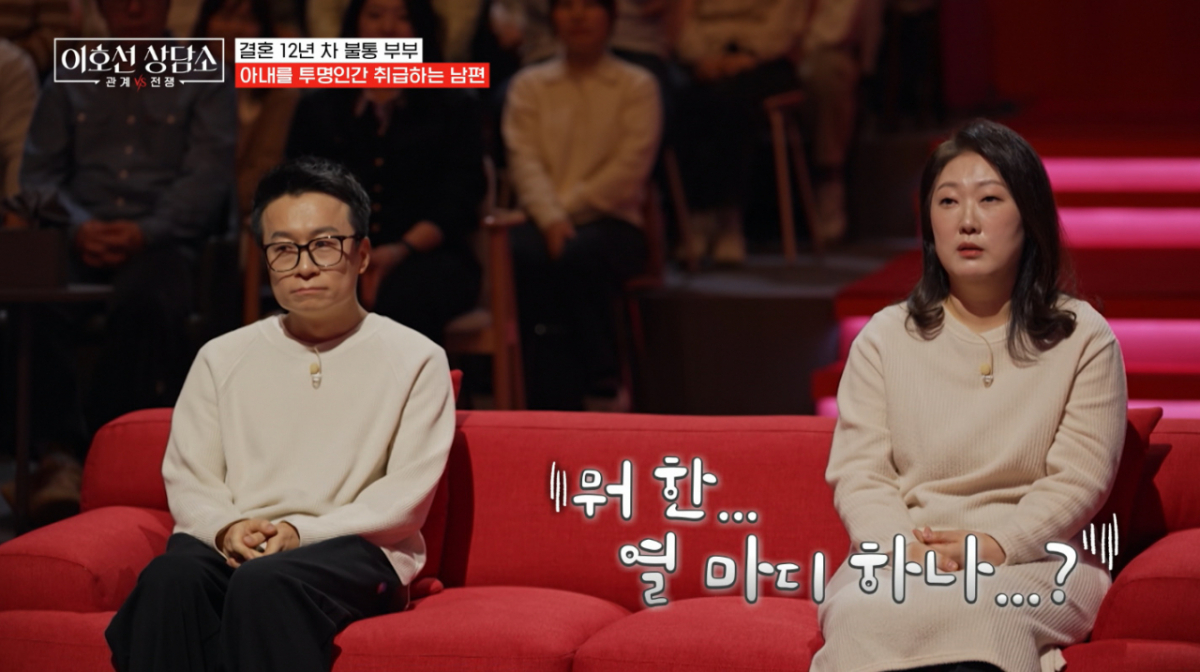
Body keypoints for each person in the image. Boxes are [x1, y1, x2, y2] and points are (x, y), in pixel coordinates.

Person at [104, 157, 456, 672]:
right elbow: (191, 478)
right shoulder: (221, 356)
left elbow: (402, 500)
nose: (304, 266)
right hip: (241, 544)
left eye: (324, 245)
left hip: (353, 552)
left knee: (264, 583)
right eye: (284, 249)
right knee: (169, 578)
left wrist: (297, 533)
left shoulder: (416, 357)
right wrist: (227, 528)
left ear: (361, 255)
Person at [813, 119, 1126, 672]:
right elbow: (861, 475)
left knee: (983, 610)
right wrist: (904, 553)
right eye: (948, 201)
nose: (967, 221)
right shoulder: (884, 339)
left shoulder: (1083, 337)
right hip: (905, 555)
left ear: (1029, 215)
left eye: (990, 199)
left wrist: (996, 545)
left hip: (1032, 557)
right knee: (866, 615)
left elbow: (1080, 478)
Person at [287, 0, 487, 345]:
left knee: (404, 298)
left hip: (428, 255)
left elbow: (460, 197)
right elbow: (298, 190)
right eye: (375, 15)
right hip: (334, 252)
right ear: (355, 26)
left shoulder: (454, 105)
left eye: (403, 17)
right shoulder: (318, 106)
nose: (387, 28)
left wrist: (399, 251)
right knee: (320, 293)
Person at [503, 0, 660, 410]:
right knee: (518, 255)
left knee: (581, 256)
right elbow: (524, 162)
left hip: (613, 218)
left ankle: (601, 381)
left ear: (611, 16)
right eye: (566, 6)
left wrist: (562, 215)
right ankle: (537, 391)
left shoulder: (636, 84)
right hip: (540, 218)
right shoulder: (529, 84)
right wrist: (550, 218)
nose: (577, 15)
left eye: (589, 5)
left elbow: (628, 169)